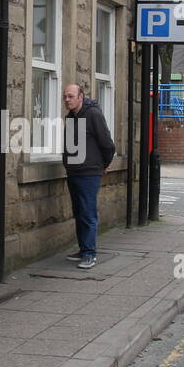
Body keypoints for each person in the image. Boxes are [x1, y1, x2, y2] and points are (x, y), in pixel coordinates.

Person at [62, 84, 115, 270]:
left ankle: (90, 254)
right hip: (74, 173)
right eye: (65, 97)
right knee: (79, 213)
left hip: (89, 173)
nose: (67, 100)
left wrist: (105, 164)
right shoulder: (70, 118)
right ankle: (83, 249)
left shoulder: (93, 114)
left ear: (81, 97)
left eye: (70, 96)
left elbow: (107, 144)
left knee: (88, 213)